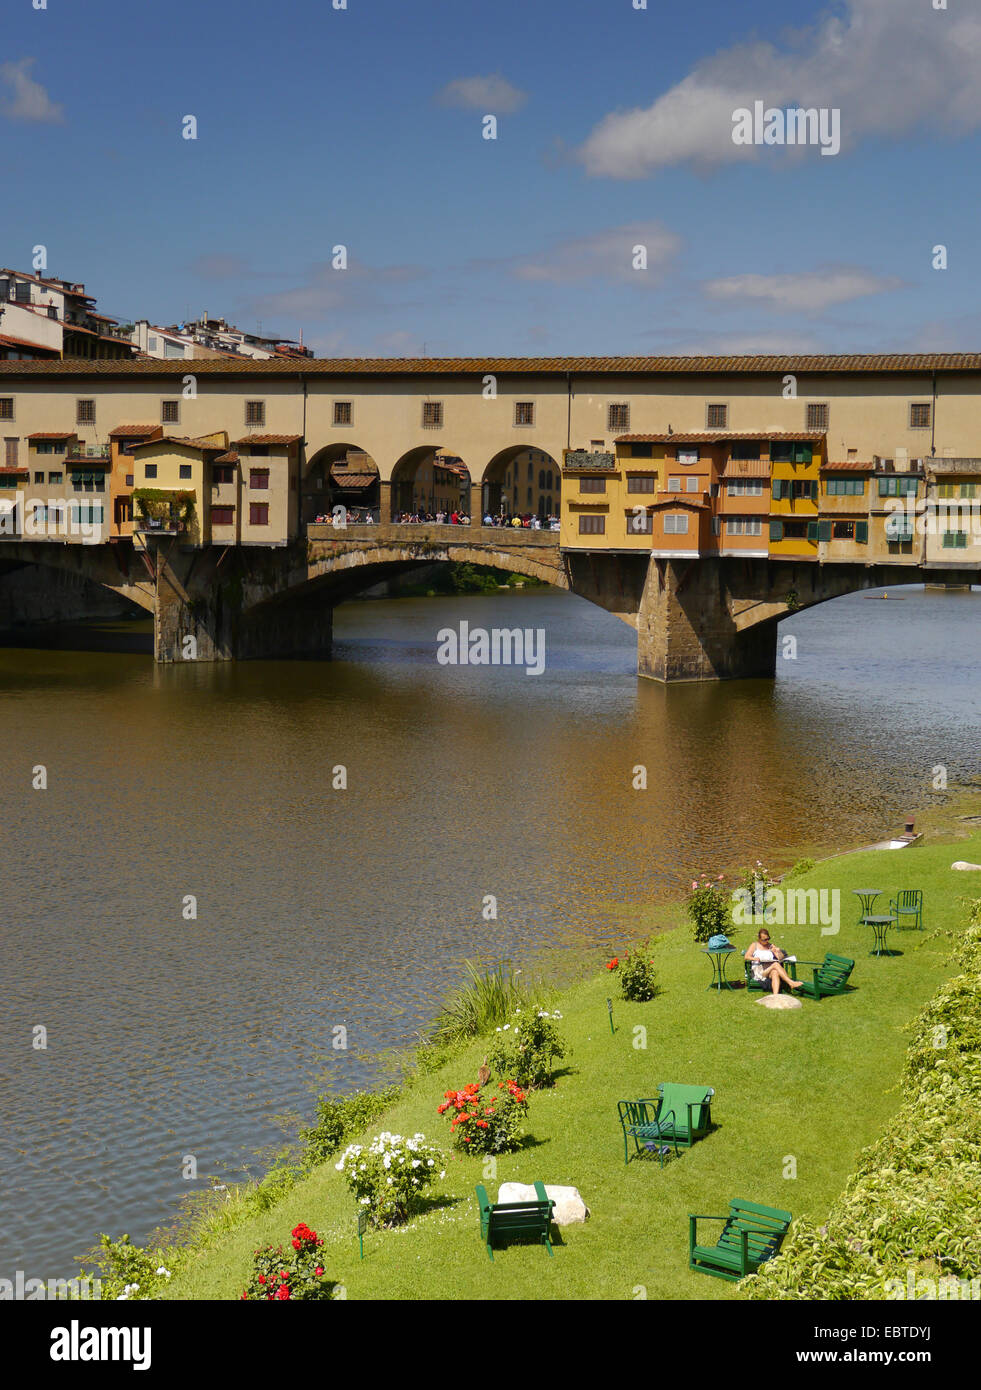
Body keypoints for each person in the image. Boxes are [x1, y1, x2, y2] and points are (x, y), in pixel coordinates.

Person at [744, 928, 802, 995]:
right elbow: (746, 957)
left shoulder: (770, 946)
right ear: (759, 939)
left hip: (770, 970)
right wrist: (755, 959)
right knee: (775, 964)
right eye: (764, 940)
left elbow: (780, 958)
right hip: (760, 971)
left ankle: (775, 995)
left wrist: (777, 951)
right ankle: (790, 983)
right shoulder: (754, 945)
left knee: (775, 972)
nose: (767, 941)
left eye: (768, 938)